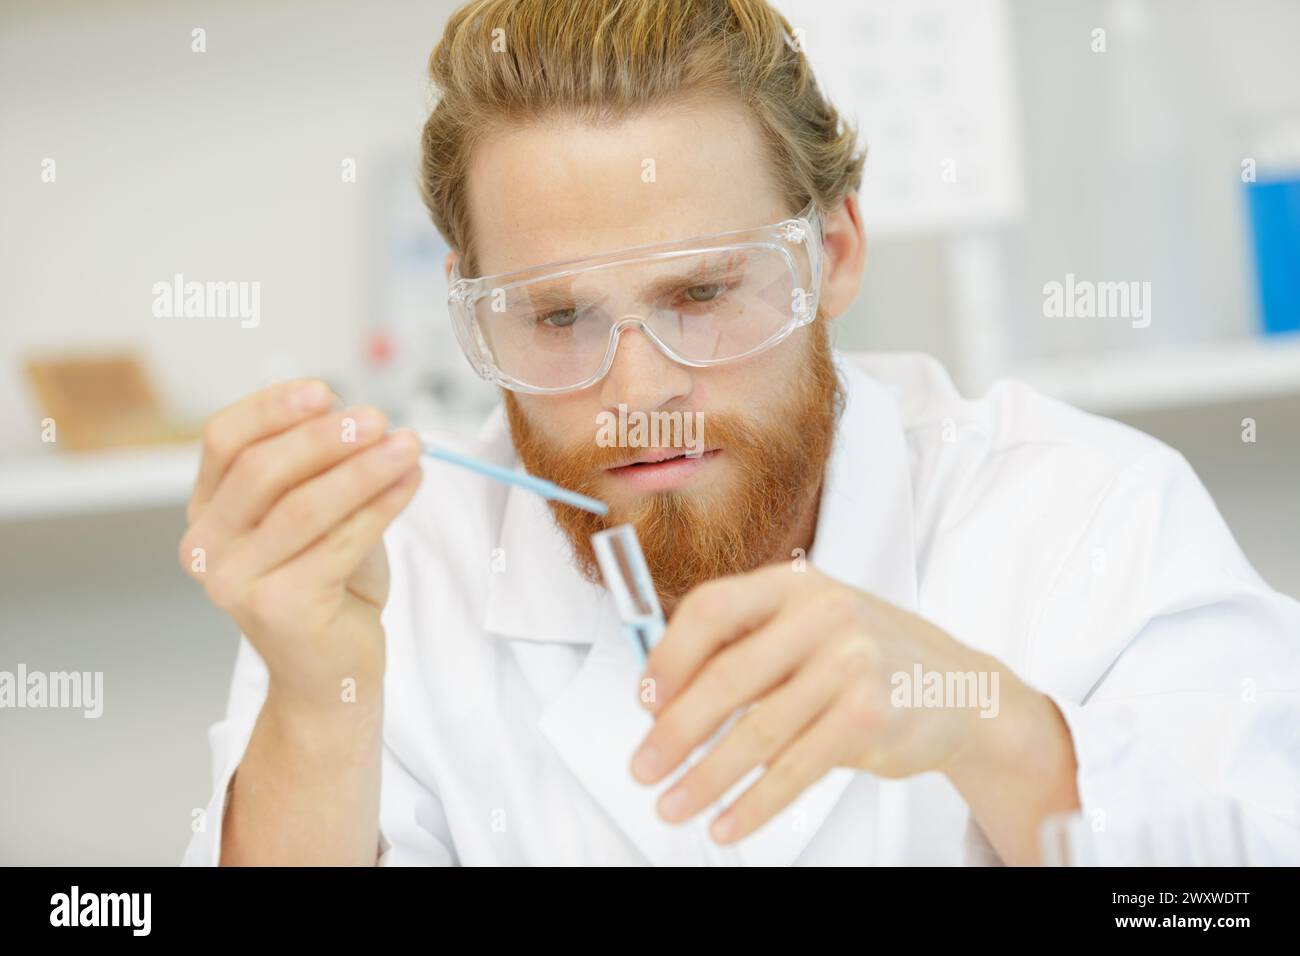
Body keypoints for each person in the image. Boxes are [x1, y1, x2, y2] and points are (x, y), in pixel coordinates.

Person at [180, 0, 1300, 866]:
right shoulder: (387, 584)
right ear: (474, 310)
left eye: (705, 293)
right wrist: (316, 701)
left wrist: (994, 727)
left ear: (834, 252)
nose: (637, 391)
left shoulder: (1082, 515)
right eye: (558, 316)